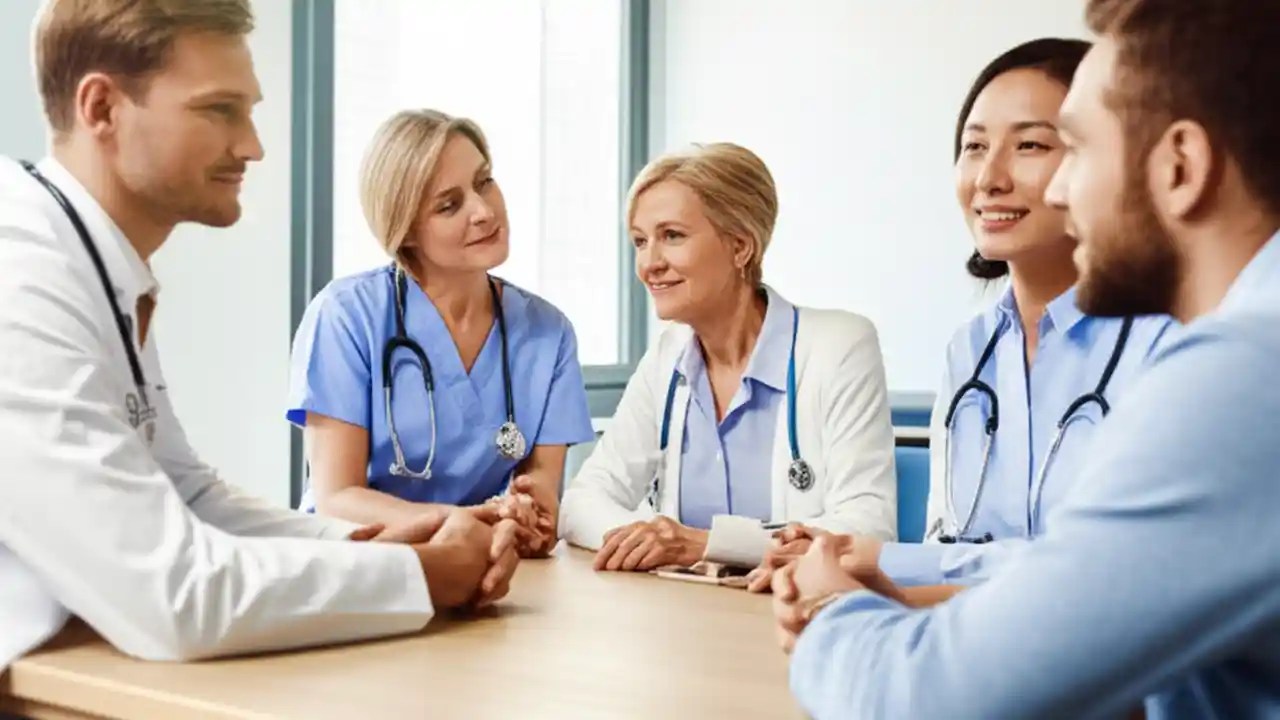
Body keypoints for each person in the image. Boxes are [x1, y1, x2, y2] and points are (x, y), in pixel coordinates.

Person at [775, 0, 1280, 716]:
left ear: (1181, 167)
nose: (1063, 192)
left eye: (1078, 147)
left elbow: (926, 701)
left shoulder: (1245, 377)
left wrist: (832, 609)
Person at [0, 0, 519, 674]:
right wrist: (428, 574)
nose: (252, 146)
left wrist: (368, 542)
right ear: (102, 108)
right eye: (219, 110)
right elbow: (174, 596)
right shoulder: (21, 278)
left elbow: (191, 498)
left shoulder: (93, 265)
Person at [746, 38, 1176, 595]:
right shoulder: (971, 349)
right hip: (980, 639)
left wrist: (886, 563)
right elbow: (946, 545)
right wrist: (851, 563)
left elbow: (1116, 566)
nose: (989, 178)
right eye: (974, 147)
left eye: (1030, 145)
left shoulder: (1166, 340)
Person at [560, 143, 898, 572]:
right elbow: (581, 503)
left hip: (794, 606)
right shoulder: (667, 357)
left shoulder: (840, 346)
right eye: (640, 242)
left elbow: (867, 530)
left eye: (672, 236)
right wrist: (649, 540)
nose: (648, 264)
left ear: (740, 247)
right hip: (684, 606)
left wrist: (705, 545)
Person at [288, 109, 595, 557]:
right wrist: (464, 523)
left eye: (484, 182)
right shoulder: (347, 316)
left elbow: (542, 490)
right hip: (359, 563)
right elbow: (337, 498)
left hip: (483, 566)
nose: (484, 211)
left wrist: (533, 516)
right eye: (449, 205)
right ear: (405, 230)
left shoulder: (549, 334)